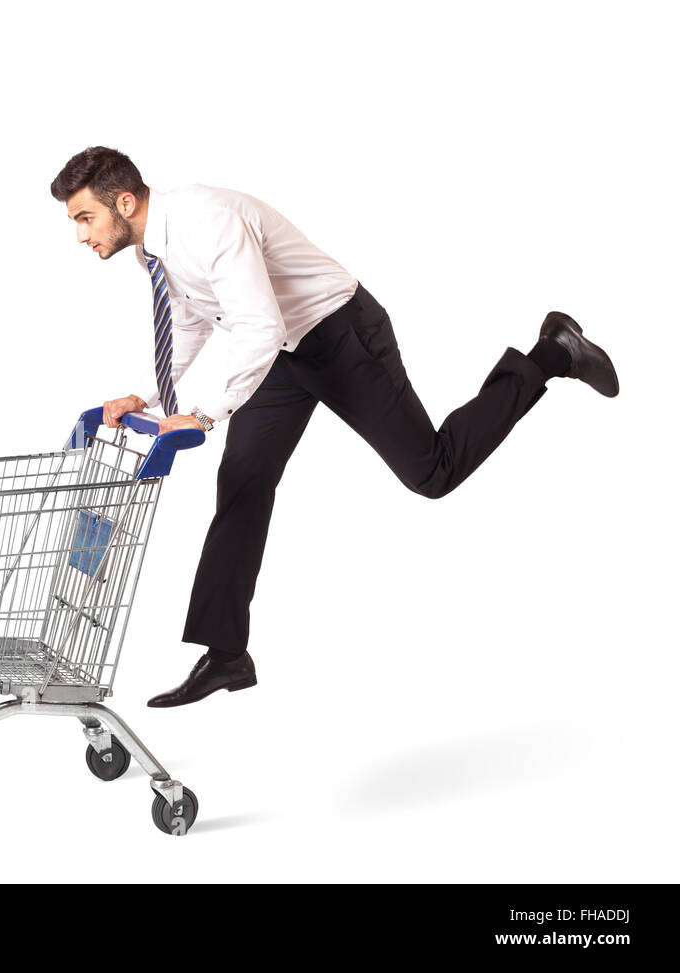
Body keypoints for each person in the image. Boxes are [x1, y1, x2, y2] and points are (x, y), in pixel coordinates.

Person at [49, 146, 619, 708]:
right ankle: (226, 655)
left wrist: (204, 414)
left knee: (433, 472)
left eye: (85, 218)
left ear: (124, 202)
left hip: (339, 335)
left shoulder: (206, 223)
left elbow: (258, 323)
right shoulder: (150, 248)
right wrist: (146, 394)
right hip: (279, 352)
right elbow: (194, 319)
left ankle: (550, 355)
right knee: (243, 483)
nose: (80, 235)